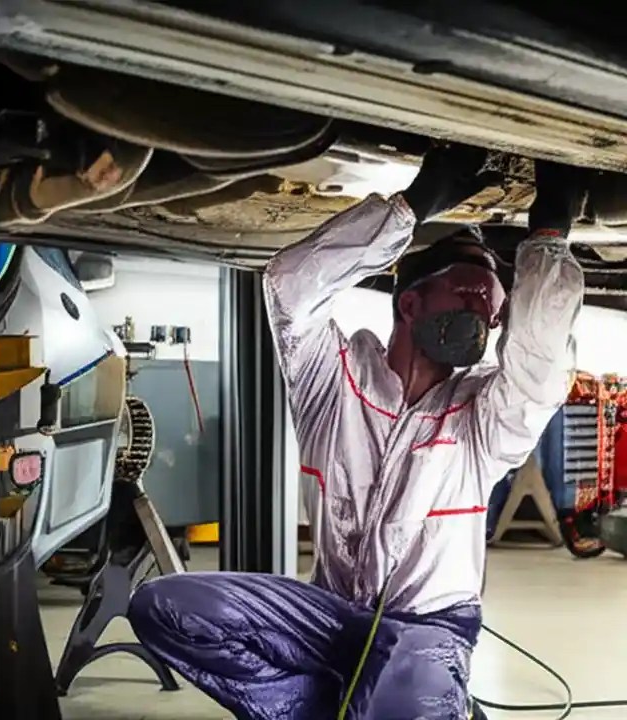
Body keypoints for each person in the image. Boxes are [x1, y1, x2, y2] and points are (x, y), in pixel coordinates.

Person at [127, 144, 587, 720]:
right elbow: (289, 286)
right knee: (163, 604)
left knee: (399, 677)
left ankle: (392, 698)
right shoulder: (332, 381)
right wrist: (413, 206)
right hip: (329, 616)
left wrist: (549, 233)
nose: (484, 317)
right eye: (470, 296)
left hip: (429, 629)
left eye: (492, 313)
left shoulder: (482, 418)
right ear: (410, 302)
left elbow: (540, 373)